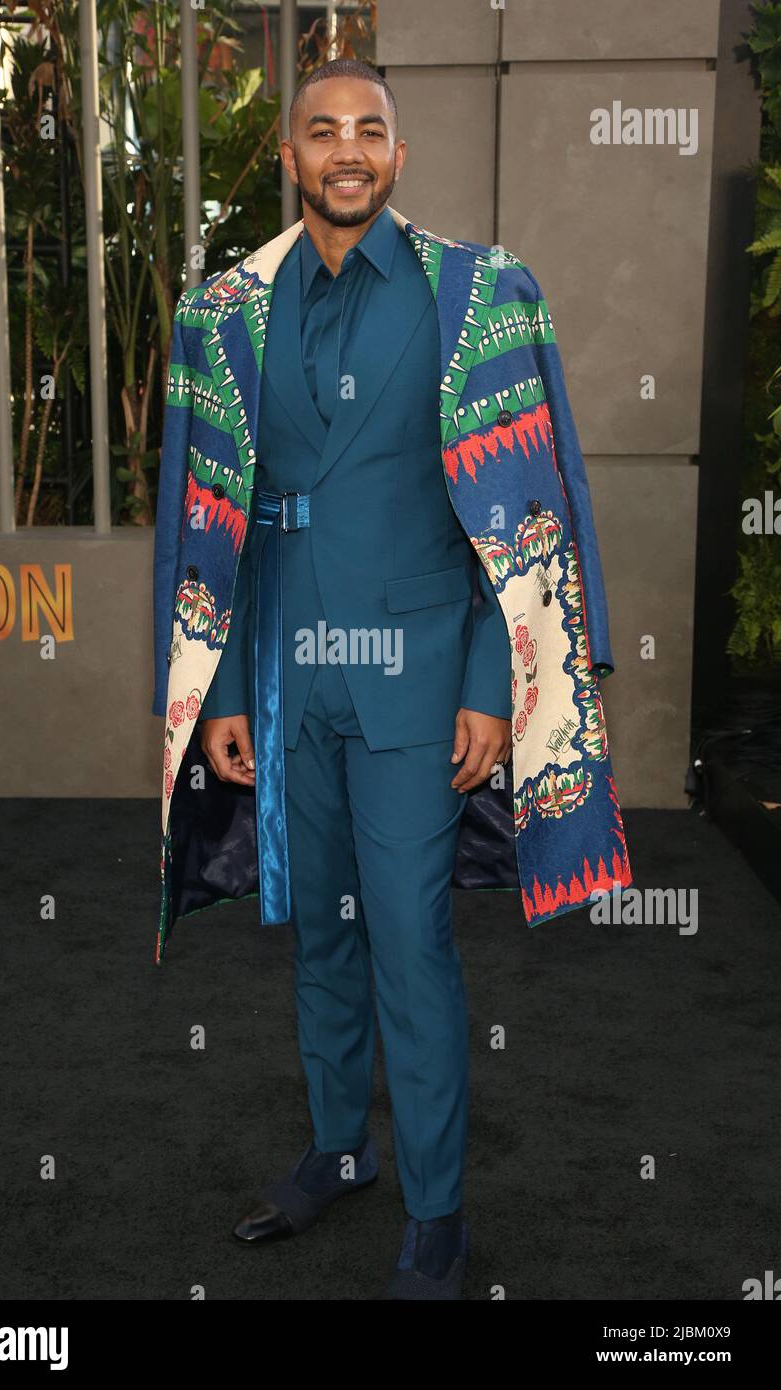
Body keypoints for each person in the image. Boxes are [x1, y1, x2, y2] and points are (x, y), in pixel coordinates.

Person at [152, 58, 631, 1302]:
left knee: (412, 943)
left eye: (371, 130)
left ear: (400, 157)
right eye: (324, 131)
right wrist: (225, 694)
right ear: (292, 157)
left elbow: (517, 511)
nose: (348, 150)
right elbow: (219, 518)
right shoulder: (227, 313)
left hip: (423, 683)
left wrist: (490, 680)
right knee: (320, 934)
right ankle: (338, 1149)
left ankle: (439, 1211)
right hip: (287, 669)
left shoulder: (480, 294)